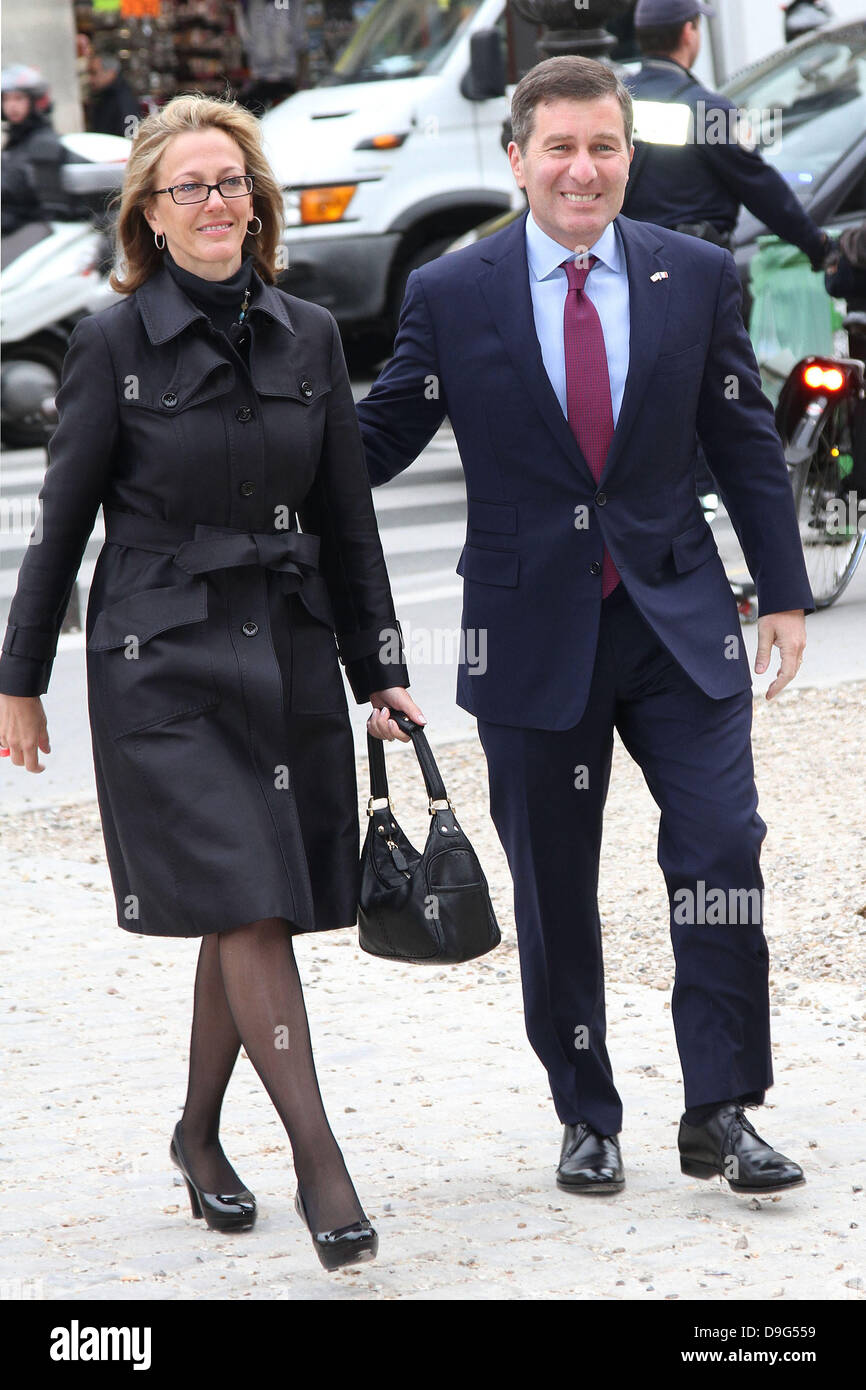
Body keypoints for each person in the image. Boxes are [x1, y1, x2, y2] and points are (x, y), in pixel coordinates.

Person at [357, 56, 813, 1198]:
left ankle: (720, 1108)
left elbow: (741, 438)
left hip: (674, 623)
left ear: (627, 156)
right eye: (557, 147)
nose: (581, 168)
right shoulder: (451, 294)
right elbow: (374, 445)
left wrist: (785, 588)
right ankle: (585, 1112)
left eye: (602, 147)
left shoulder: (693, 275)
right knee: (552, 889)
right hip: (525, 637)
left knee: (720, 853)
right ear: (516, 158)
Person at [0, 93, 425, 1271]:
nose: (214, 204)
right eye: (189, 185)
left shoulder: (310, 335)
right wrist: (17, 680)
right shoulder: (108, 343)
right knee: (246, 895)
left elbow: (348, 523)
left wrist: (378, 670)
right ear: (150, 210)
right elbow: (61, 527)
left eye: (231, 182)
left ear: (258, 201)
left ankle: (194, 1134)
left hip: (284, 650)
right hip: (163, 662)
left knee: (250, 902)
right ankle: (319, 1163)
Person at [623, 0, 831, 267]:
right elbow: (760, 186)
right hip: (695, 266)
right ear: (689, 32)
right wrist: (818, 244)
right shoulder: (709, 109)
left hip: (634, 262)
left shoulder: (620, 101)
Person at [1, 65, 69, 236]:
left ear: (35, 101)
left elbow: (45, 207)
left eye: (18, 98)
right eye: (6, 99)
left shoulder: (44, 144)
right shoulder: (16, 140)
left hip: (30, 235)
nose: (11, 106)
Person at [86, 51, 140, 139]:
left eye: (94, 73)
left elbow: (130, 135)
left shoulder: (123, 98)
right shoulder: (104, 95)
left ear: (110, 73)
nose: (90, 79)